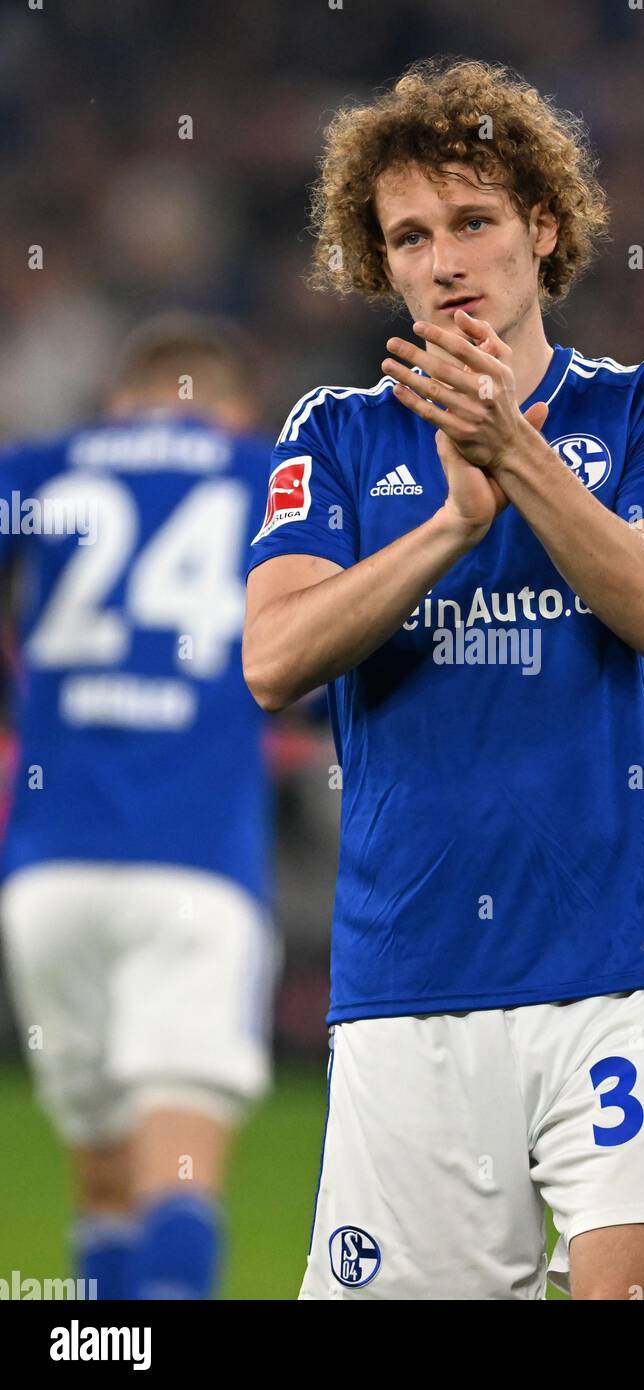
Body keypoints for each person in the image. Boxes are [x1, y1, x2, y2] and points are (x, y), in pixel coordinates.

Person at [243, 57, 644, 1301]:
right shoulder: (335, 435)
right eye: (410, 235)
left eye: (473, 222)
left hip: (614, 969)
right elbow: (273, 657)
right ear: (383, 264)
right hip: (411, 984)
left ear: (543, 229)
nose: (445, 260)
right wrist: (451, 527)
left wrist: (515, 452)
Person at [0, 313, 279, 1299]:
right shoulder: (267, 473)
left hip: (47, 868)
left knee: (103, 1181)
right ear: (234, 412)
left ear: (120, 404)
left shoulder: (44, 465)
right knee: (180, 1173)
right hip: (195, 864)